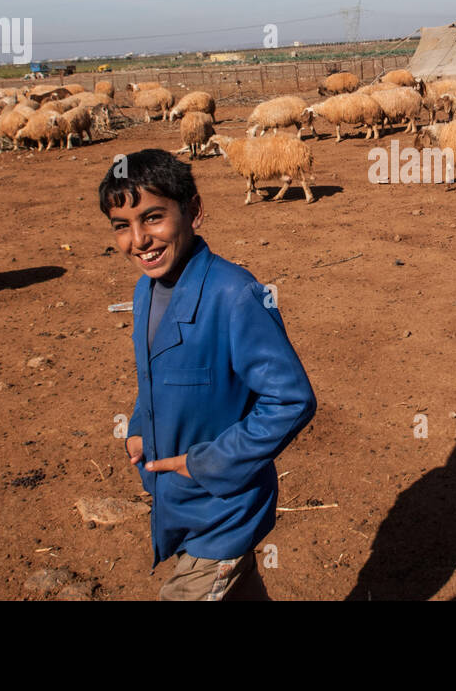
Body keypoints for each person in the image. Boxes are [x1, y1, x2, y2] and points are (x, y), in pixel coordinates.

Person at [99, 149, 316, 600]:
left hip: (223, 512)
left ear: (193, 211)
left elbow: (290, 400)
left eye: (153, 218)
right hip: (180, 503)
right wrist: (140, 426)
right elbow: (156, 376)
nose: (139, 240)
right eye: (123, 225)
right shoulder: (146, 290)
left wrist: (206, 463)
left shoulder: (233, 295)